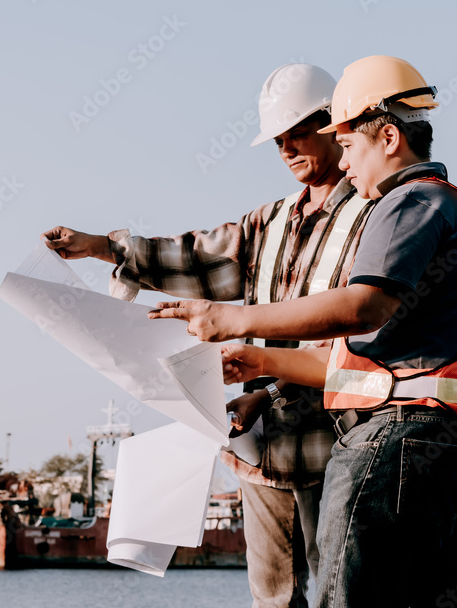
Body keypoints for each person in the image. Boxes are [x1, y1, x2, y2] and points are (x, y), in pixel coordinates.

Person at [148, 56, 457, 608]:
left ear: (387, 138)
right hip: (455, 447)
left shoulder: (405, 201)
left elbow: (362, 307)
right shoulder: (450, 209)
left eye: (350, 146)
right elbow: (371, 363)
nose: (345, 162)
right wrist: (263, 364)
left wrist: (233, 318)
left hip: (394, 445)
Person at [42, 63, 371, 608]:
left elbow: (360, 331)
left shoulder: (371, 219)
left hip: (333, 447)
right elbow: (197, 256)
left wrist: (266, 386)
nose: (287, 149)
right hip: (263, 452)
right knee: (271, 599)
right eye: (279, 140)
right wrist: (104, 246)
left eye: (298, 134)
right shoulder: (269, 222)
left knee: (342, 595)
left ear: (335, 126)